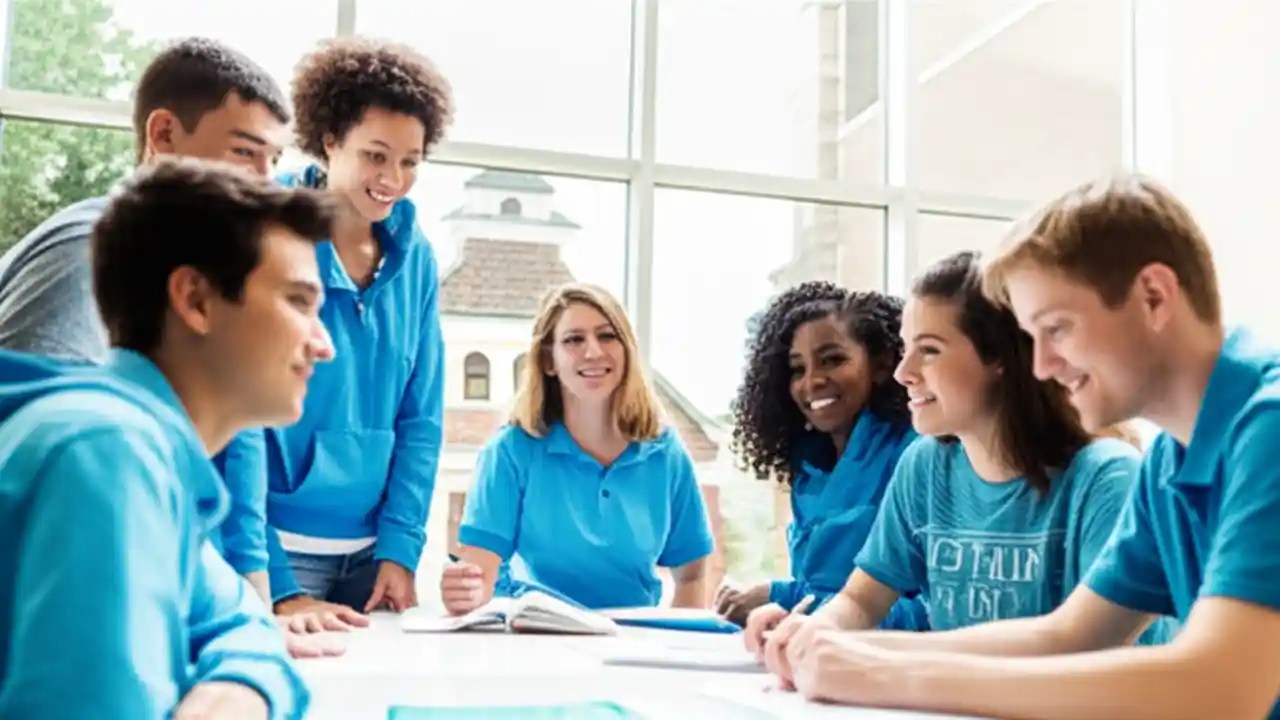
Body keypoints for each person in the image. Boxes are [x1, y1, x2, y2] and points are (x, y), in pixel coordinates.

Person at [767, 175, 1280, 718]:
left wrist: (885, 672)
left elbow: (1222, 686)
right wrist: (845, 648)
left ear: (1154, 297)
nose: (1042, 367)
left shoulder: (1267, 430)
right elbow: (1069, 634)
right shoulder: (1170, 460)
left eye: (1057, 329)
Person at [0, 37, 330, 623]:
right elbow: (42, 447)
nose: (264, 183)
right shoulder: (86, 248)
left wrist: (244, 633)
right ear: (164, 135)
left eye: (273, 162)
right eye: (244, 153)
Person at [0, 158, 331, 719]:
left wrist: (241, 688)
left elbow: (243, 620)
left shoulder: (136, 446)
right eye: (298, 302)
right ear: (196, 300)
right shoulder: (108, 455)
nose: (324, 344)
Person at [754, 250, 1176, 686]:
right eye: (905, 349)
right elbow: (862, 599)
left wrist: (868, 654)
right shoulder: (924, 466)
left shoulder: (1109, 479)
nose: (903, 372)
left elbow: (1079, 648)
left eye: (929, 351)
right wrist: (818, 630)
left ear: (1001, 359)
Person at [266, 37, 452, 617]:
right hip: (277, 550)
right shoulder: (270, 231)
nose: (392, 177)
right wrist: (273, 581)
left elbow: (420, 418)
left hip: (373, 559)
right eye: (376, 154)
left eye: (410, 161)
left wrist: (399, 547)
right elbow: (232, 420)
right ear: (329, 140)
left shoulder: (416, 258)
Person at [440, 283, 714, 613]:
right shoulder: (511, 451)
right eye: (573, 340)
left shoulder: (665, 454)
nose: (594, 351)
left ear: (627, 349)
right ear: (549, 361)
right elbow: (480, 571)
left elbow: (692, 576)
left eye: (607, 336)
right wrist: (464, 591)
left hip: (631, 639)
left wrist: (676, 647)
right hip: (533, 635)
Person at [715, 282, 927, 631]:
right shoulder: (809, 464)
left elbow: (930, 612)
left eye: (832, 360)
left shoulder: (916, 453)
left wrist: (789, 606)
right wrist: (774, 594)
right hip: (823, 657)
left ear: (881, 364)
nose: (812, 381)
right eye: (798, 369)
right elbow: (824, 586)